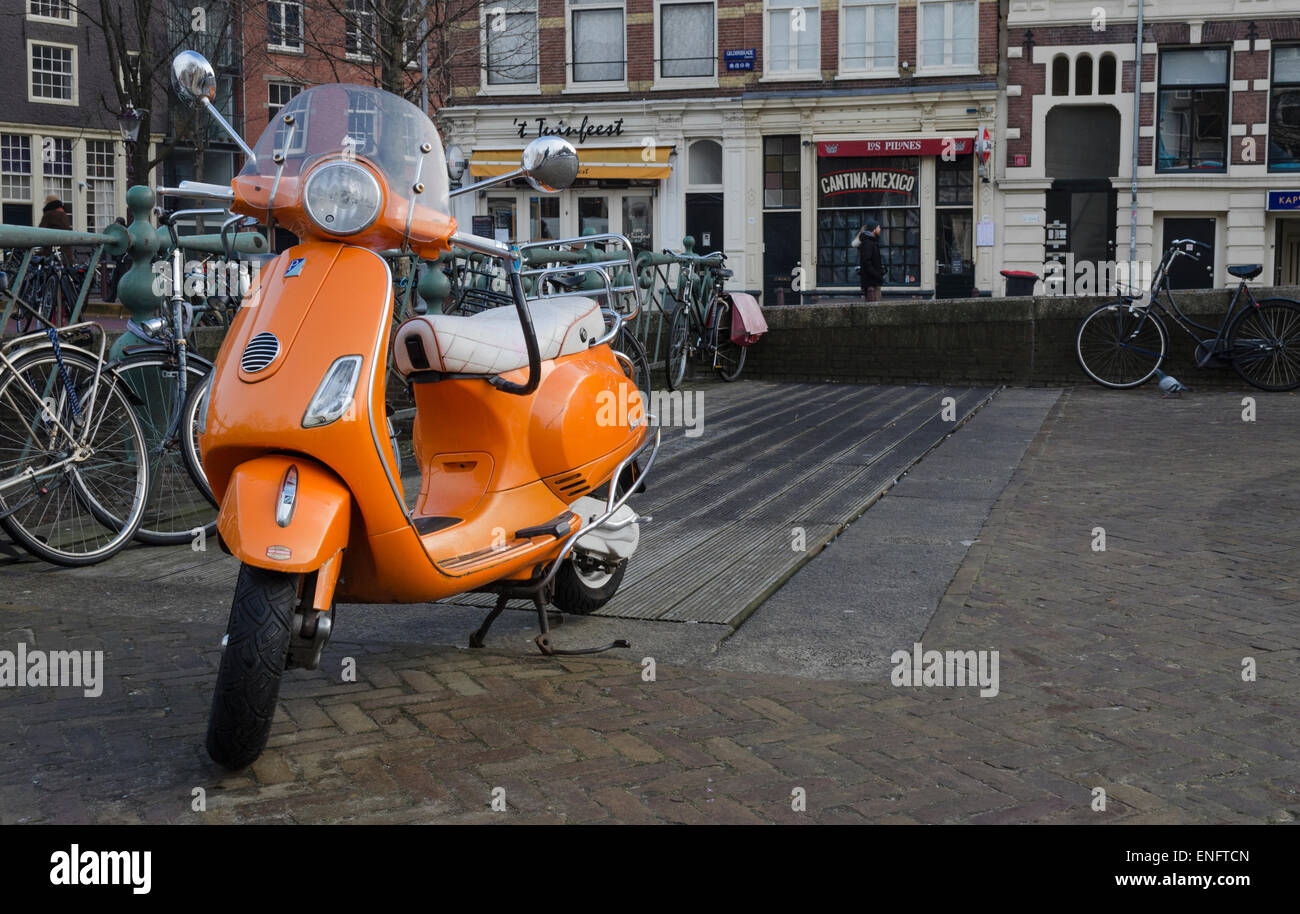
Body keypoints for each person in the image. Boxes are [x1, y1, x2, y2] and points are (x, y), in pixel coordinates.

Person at [852, 218, 884, 302]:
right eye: (878, 227)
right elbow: (866, 262)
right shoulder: (868, 243)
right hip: (871, 284)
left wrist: (881, 270)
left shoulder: (871, 241)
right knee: (875, 309)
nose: (880, 229)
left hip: (873, 282)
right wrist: (877, 275)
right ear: (874, 229)